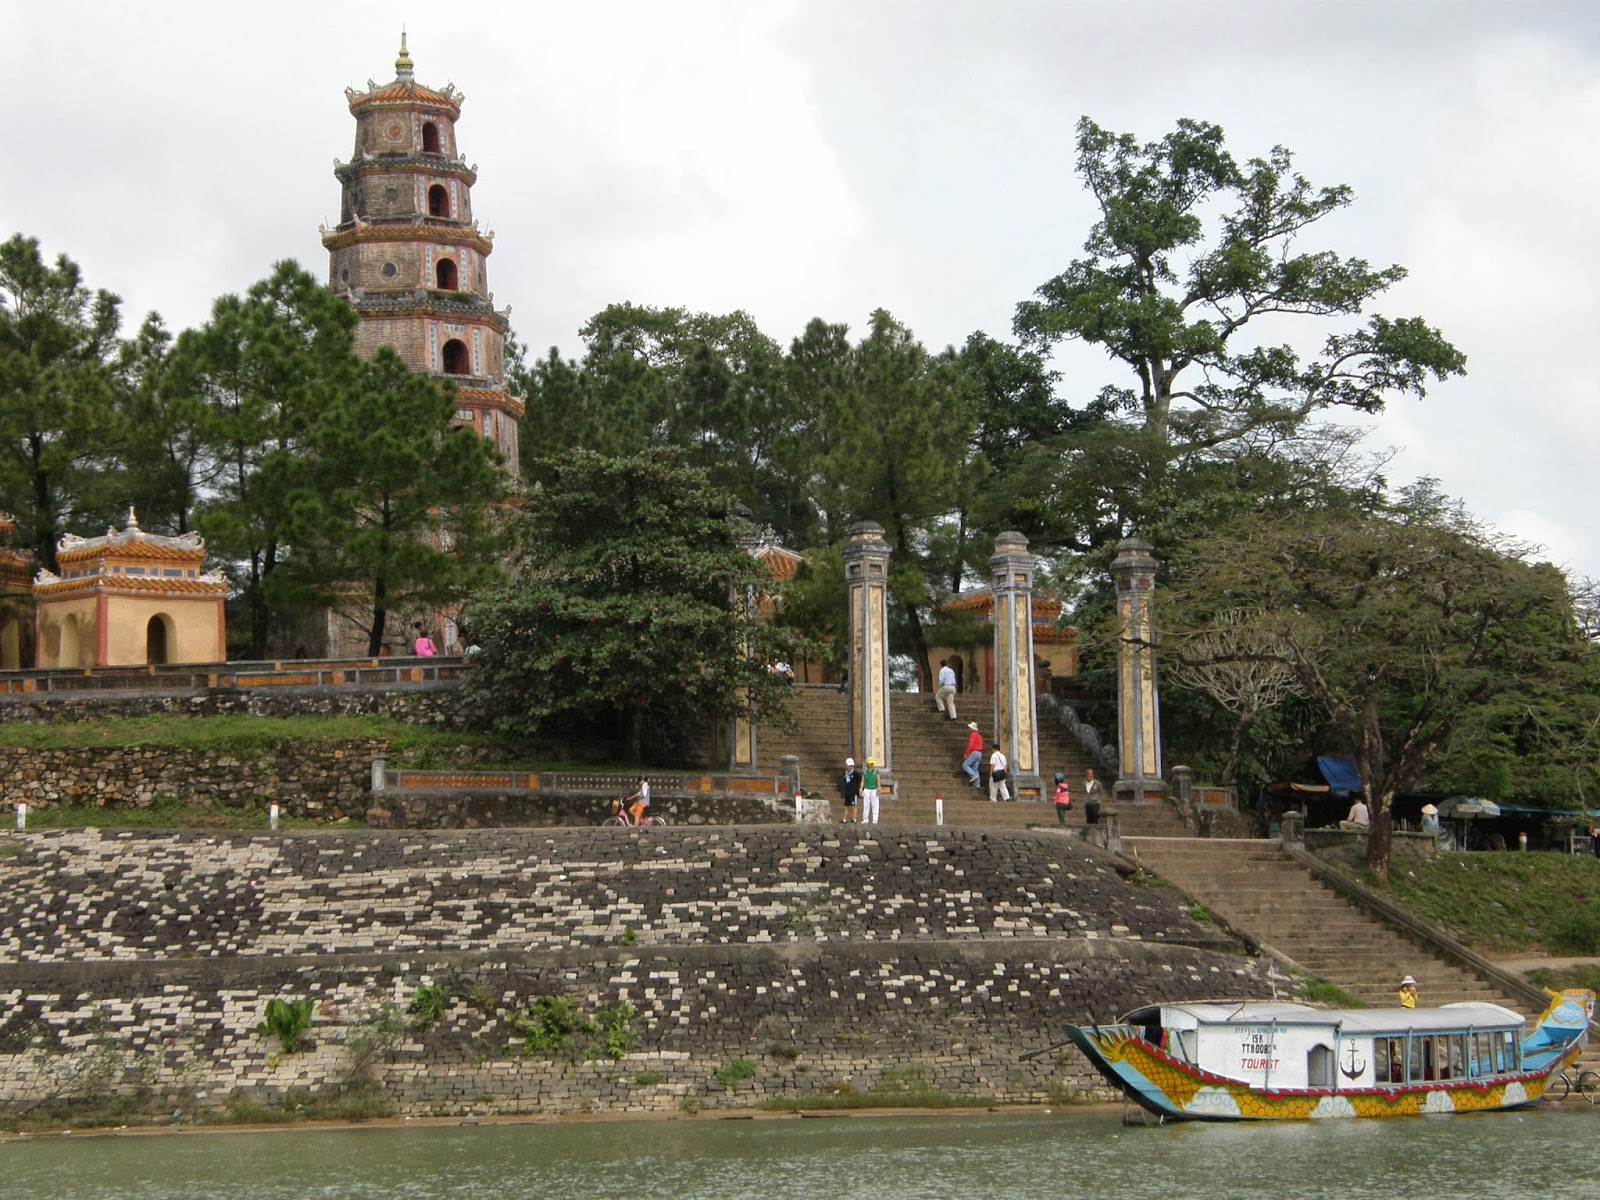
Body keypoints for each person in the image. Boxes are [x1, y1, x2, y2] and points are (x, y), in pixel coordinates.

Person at [839, 757, 862, 824]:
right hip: (847, 791)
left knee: (854, 805)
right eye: (848, 766)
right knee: (846, 805)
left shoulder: (856, 773)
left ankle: (854, 819)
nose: (849, 767)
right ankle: (844, 819)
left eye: (851, 766)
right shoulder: (845, 773)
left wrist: (859, 789)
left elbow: (859, 781)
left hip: (853, 791)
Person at [961, 722, 984, 788]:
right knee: (975, 768)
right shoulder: (979, 736)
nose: (968, 729)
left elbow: (971, 745)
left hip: (975, 752)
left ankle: (974, 776)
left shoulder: (973, 735)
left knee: (965, 765)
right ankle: (977, 784)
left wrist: (966, 754)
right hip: (980, 753)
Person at [861, 758, 881, 825]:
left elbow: (878, 780)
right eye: (870, 763)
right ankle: (865, 819)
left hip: (874, 789)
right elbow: (863, 780)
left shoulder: (876, 771)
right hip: (867, 789)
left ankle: (875, 820)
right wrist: (861, 789)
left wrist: (878, 788)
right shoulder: (865, 772)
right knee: (866, 805)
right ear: (867, 764)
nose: (871, 765)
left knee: (875, 805)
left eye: (872, 763)